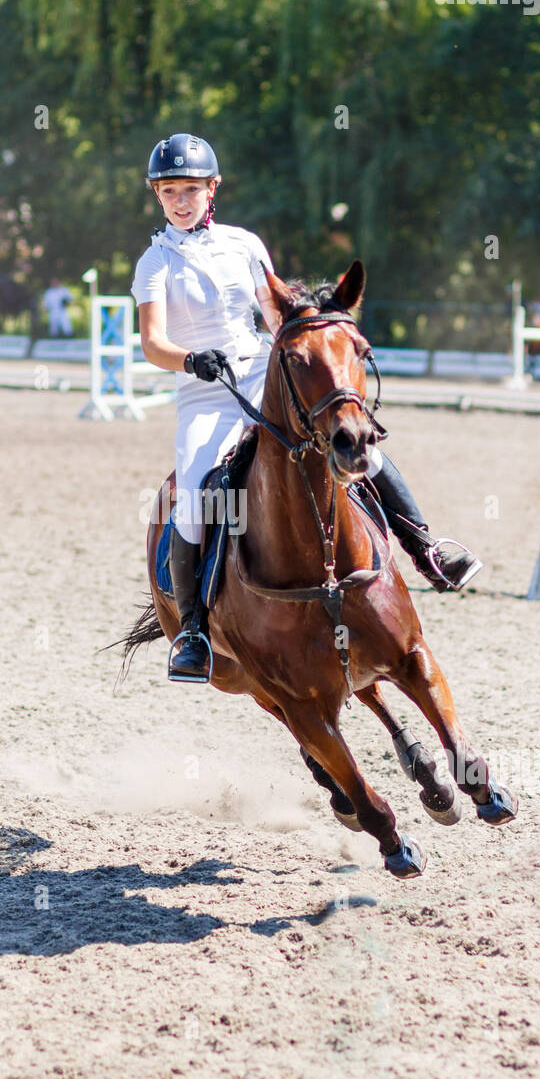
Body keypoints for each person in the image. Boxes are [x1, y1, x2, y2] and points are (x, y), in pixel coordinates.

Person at [131, 133, 481, 683]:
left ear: (211, 189)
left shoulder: (244, 245)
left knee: (357, 443)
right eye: (170, 190)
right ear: (158, 194)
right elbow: (152, 344)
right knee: (198, 490)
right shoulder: (154, 263)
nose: (181, 200)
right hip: (205, 389)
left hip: (263, 370)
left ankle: (426, 548)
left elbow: (276, 317)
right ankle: (195, 629)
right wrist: (192, 360)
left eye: (191, 189)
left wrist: (307, 353)